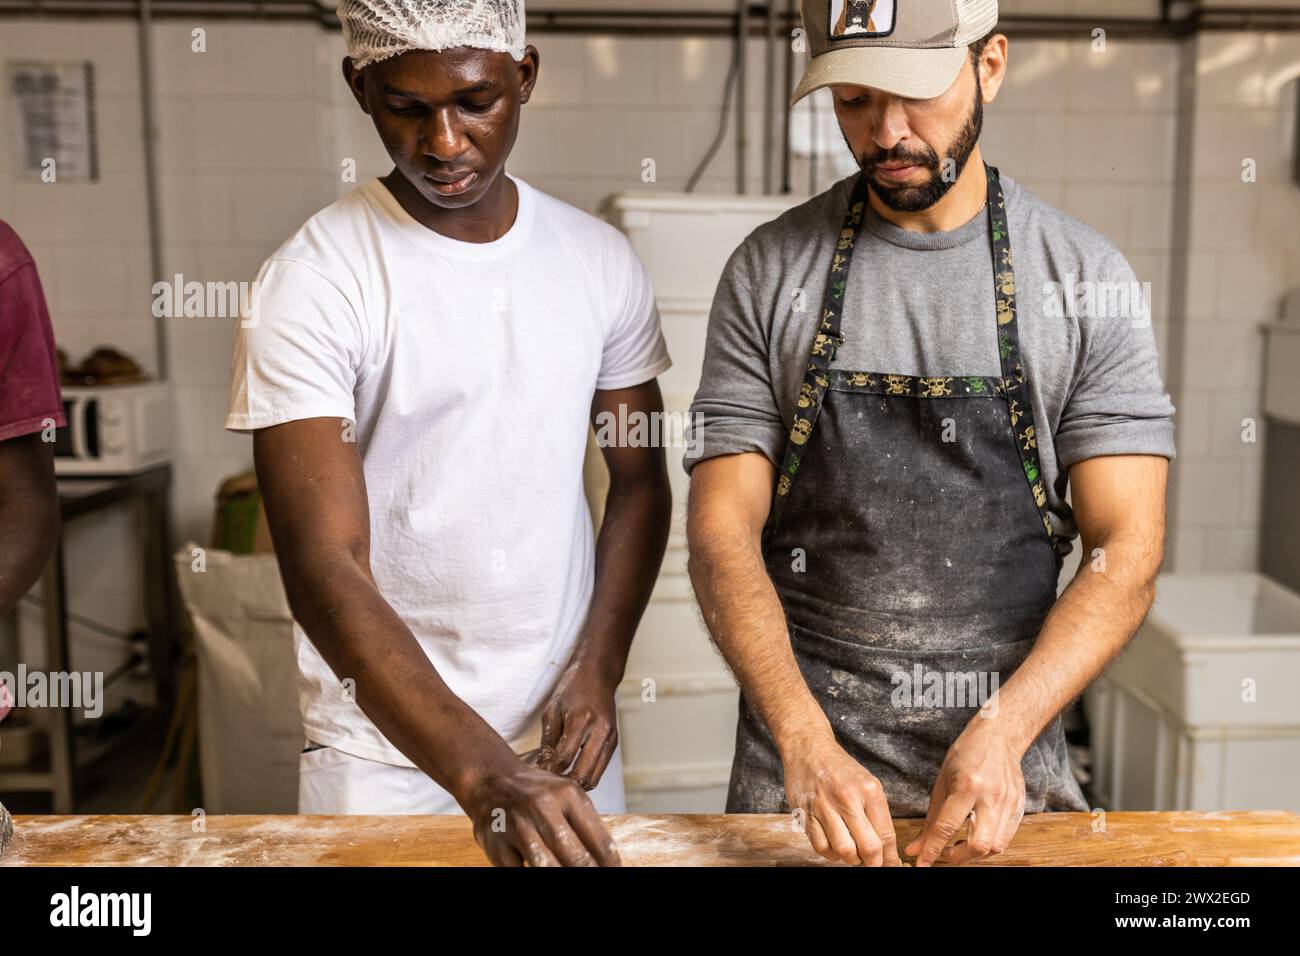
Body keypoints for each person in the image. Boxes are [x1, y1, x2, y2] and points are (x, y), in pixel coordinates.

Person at [685, 0, 1175, 867]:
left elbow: (1127, 547)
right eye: (854, 101)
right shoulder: (768, 272)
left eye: (916, 93)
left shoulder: (1085, 280)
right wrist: (802, 742)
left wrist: (1004, 733)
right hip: (799, 808)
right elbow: (723, 534)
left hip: (1007, 803)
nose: (887, 132)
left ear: (989, 65)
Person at [227, 0, 672, 867]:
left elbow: (641, 482)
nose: (444, 142)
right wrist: (480, 774)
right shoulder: (314, 282)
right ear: (361, 87)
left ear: (525, 78)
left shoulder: (597, 261)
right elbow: (323, 566)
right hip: (379, 753)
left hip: (559, 741)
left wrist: (599, 670)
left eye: (476, 102)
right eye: (406, 107)